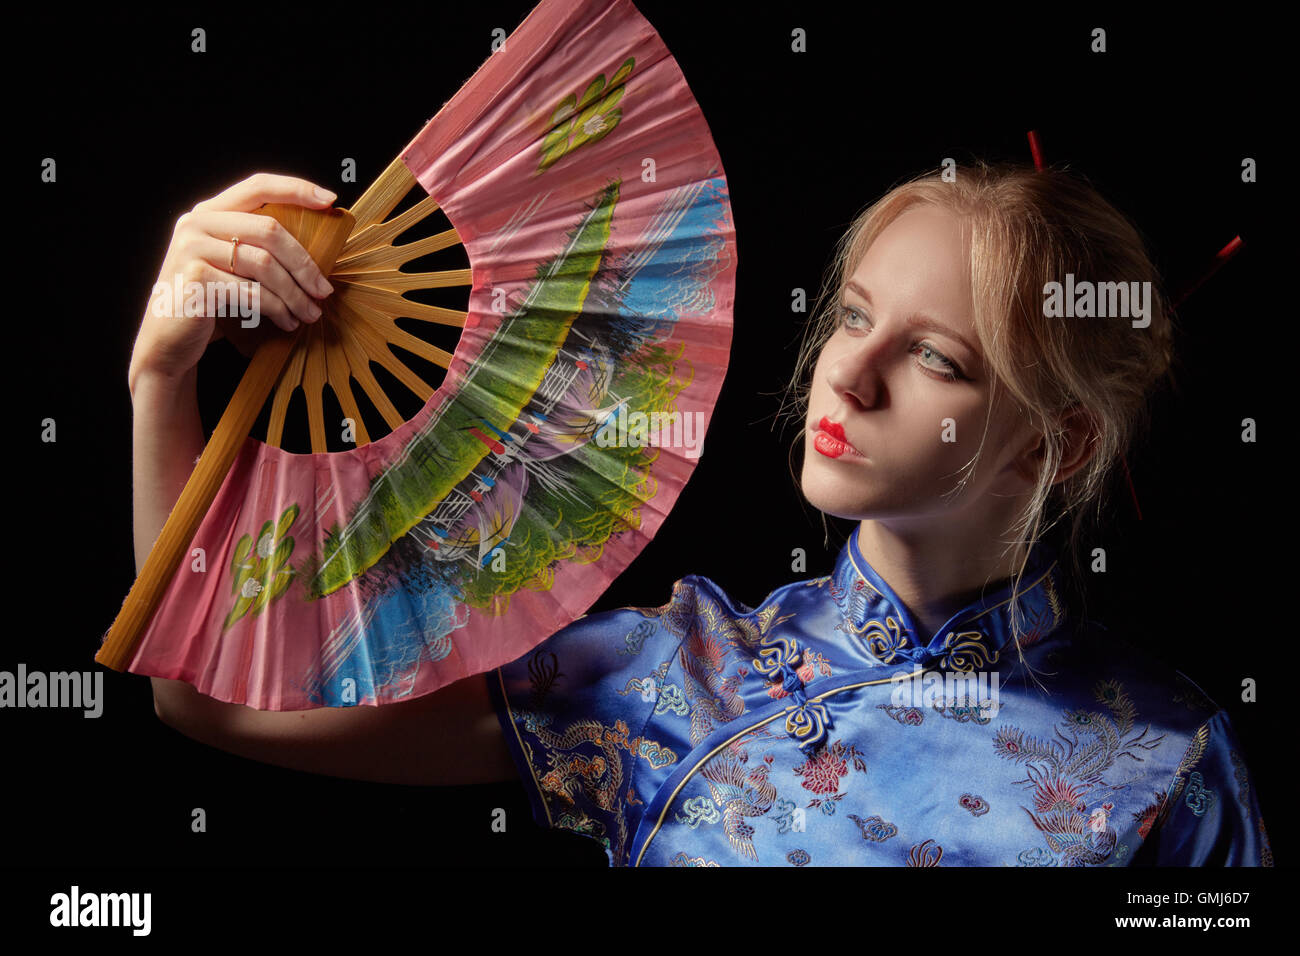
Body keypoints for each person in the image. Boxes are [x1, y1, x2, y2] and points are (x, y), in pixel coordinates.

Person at [137, 164, 1272, 867]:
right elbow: (208, 700)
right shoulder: (669, 678)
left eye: (934, 356)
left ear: (1054, 442)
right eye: (854, 316)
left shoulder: (1171, 757)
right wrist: (162, 380)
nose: (850, 375)